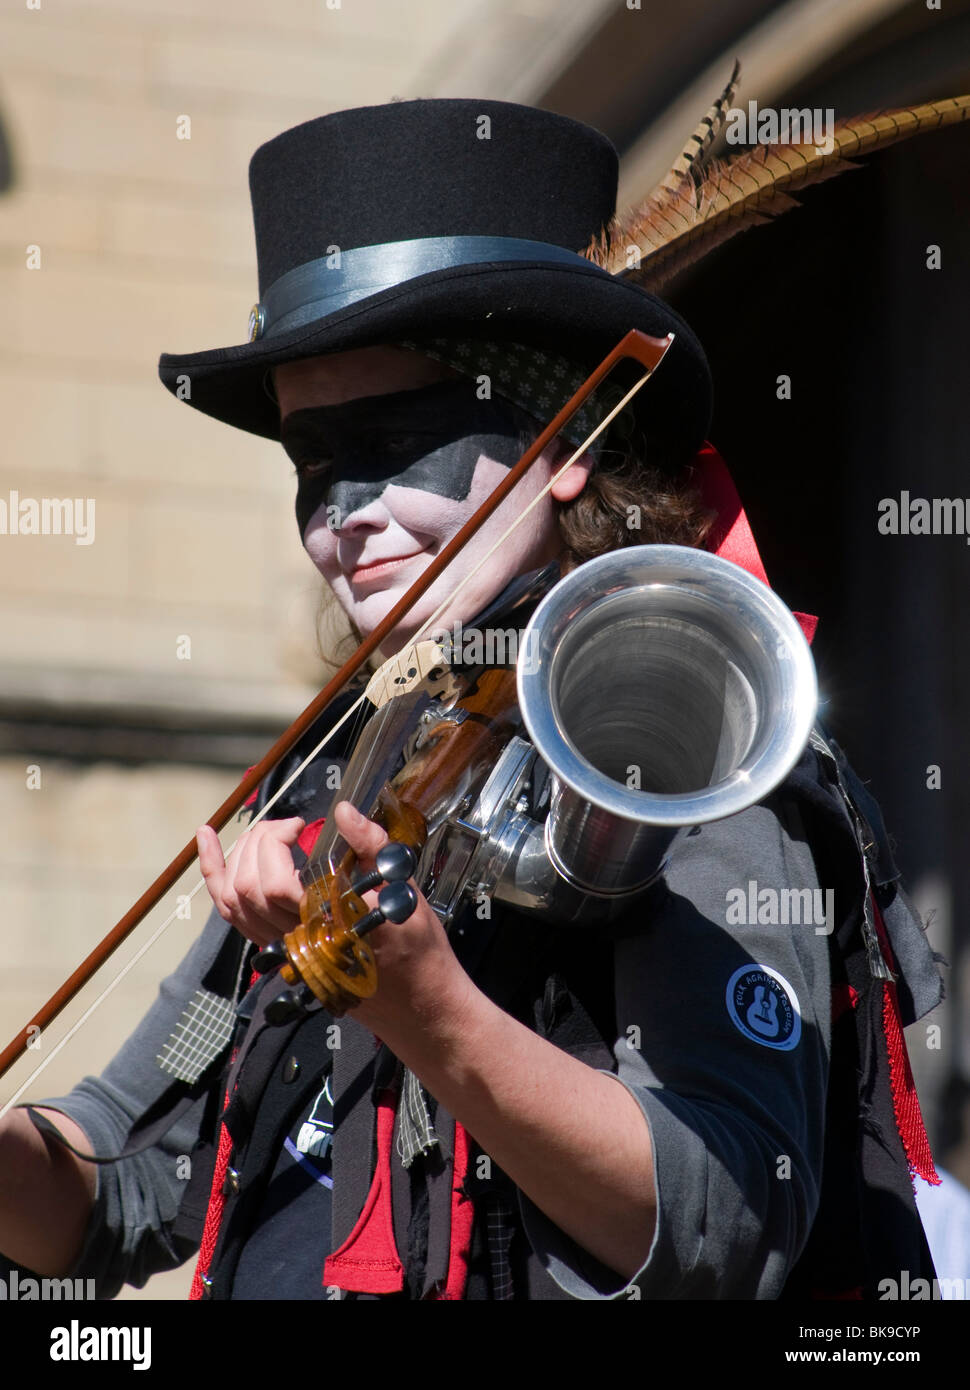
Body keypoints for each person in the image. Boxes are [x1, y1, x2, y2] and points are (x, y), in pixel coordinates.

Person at [0, 98, 945, 1301]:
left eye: (400, 440)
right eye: (311, 463)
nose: (345, 515)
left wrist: (428, 1010)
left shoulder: (677, 734)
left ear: (569, 443)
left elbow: (724, 1224)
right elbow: (129, 1171)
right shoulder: (328, 783)